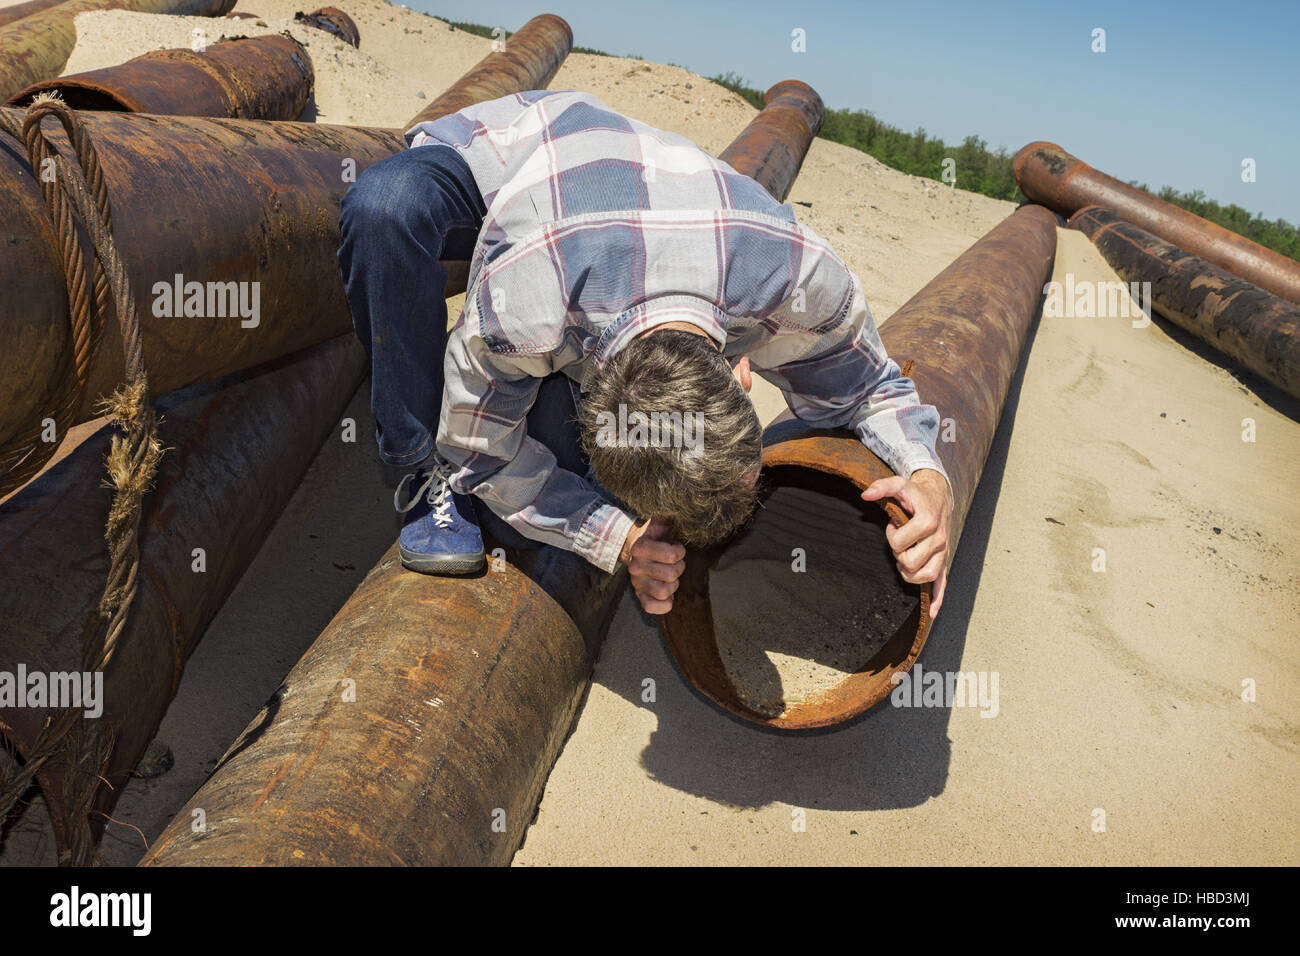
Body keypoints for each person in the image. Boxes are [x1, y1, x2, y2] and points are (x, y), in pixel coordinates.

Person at [338, 89, 953, 618]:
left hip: (657, 197)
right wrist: (616, 534)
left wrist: (930, 478)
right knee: (384, 208)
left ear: (738, 371)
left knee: (533, 481)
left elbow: (873, 389)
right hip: (522, 147)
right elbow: (481, 457)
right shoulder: (524, 307)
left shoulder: (797, 282)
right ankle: (414, 466)